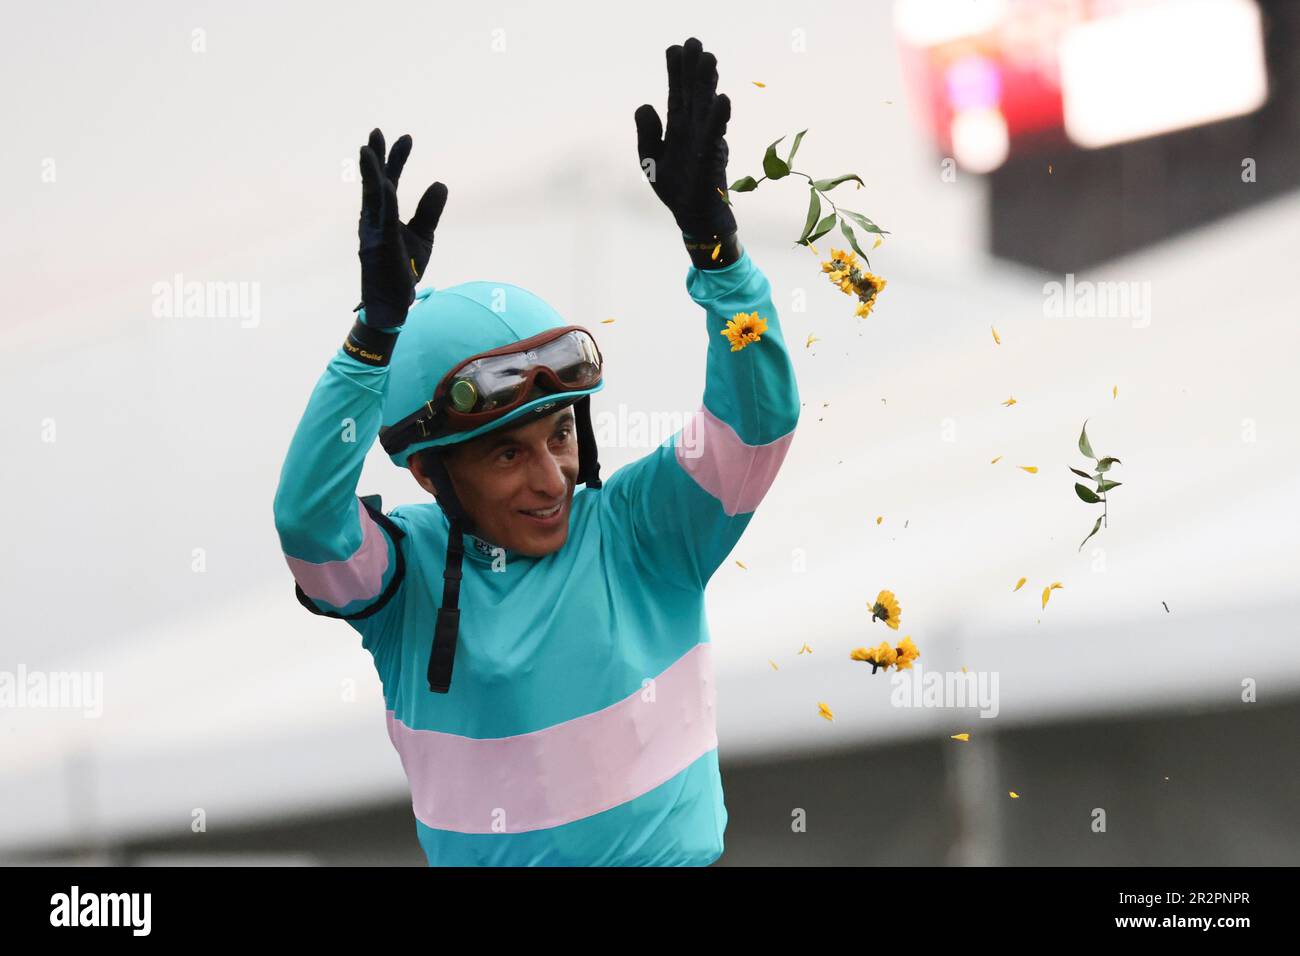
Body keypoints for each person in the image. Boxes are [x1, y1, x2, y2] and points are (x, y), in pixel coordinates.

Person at [272, 36, 800, 865]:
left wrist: (717, 249)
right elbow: (307, 523)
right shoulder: (402, 576)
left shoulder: (642, 530)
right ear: (428, 473)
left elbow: (757, 423)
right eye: (507, 455)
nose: (551, 476)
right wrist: (371, 340)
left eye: (559, 435)